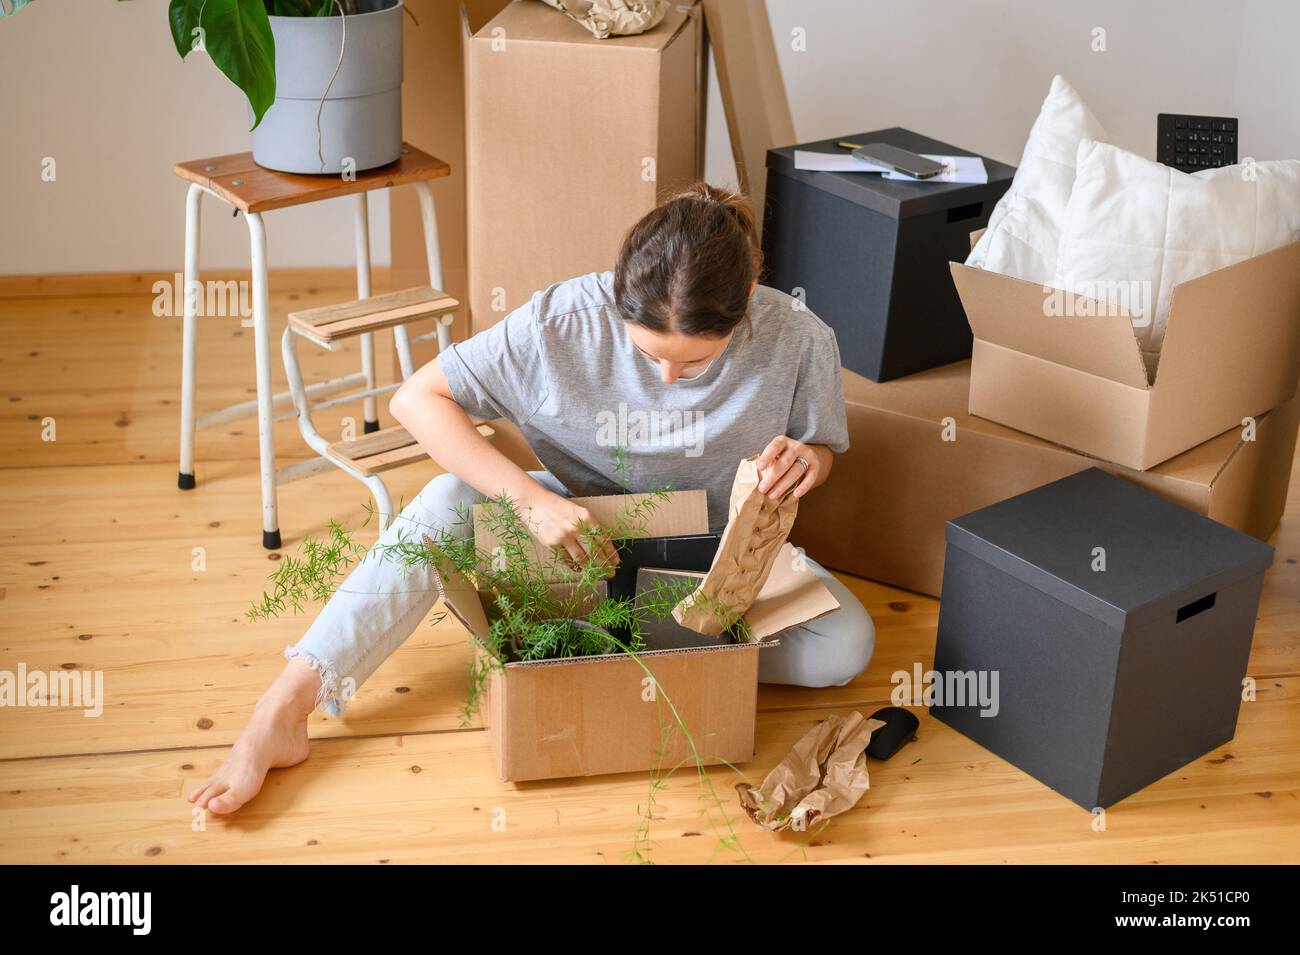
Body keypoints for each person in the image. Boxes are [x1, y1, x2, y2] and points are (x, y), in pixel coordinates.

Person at [187, 183, 876, 815]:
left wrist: (806, 462)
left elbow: (822, 449)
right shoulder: (559, 323)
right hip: (578, 536)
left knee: (845, 645)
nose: (668, 377)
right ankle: (286, 705)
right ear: (617, 295)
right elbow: (416, 399)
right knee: (444, 500)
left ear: (749, 293)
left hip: (714, 559)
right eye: (648, 354)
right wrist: (524, 499)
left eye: (694, 362)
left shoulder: (797, 336)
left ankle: (631, 647)